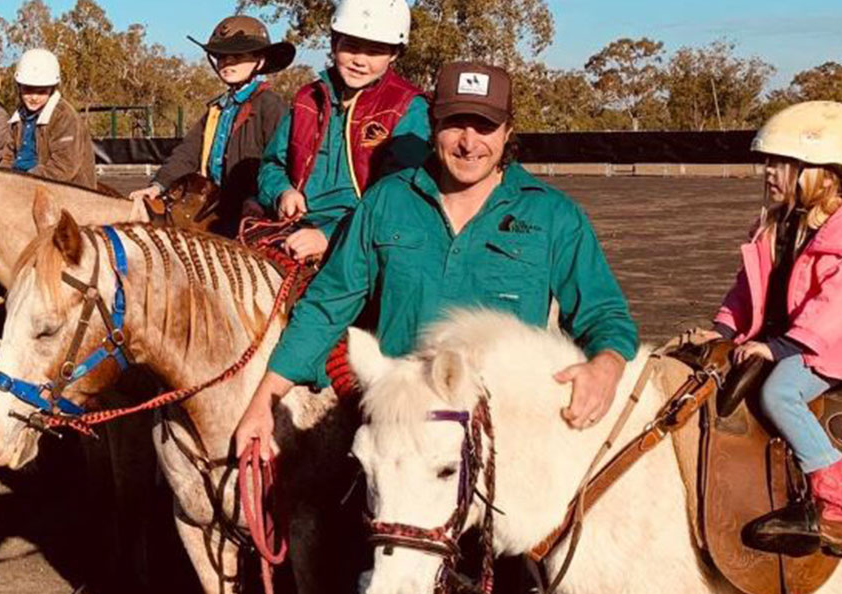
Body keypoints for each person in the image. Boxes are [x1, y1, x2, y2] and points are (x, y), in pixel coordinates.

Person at [235, 62, 639, 459]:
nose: (468, 142)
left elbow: (604, 314)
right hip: (400, 444)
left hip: (506, 447)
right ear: (431, 126)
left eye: (485, 126)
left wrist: (606, 367)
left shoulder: (553, 215)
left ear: (508, 131)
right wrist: (264, 401)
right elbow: (327, 305)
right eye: (454, 124)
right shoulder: (385, 201)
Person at [687, 101, 842, 558]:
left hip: (835, 349)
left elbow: (837, 308)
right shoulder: (772, 226)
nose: (769, 172)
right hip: (785, 338)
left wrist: (779, 348)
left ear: (830, 175)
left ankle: (837, 507)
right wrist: (722, 330)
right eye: (768, 162)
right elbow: (747, 290)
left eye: (783, 163)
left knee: (779, 393)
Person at [256, 0, 430, 262]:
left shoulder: (408, 107)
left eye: (375, 51)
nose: (360, 60)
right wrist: (282, 192)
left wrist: (330, 235)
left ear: (394, 54)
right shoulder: (308, 99)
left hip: (368, 242)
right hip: (295, 230)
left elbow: (401, 196)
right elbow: (272, 164)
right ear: (334, 43)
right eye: (350, 46)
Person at [128, 15, 294, 231]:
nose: (227, 62)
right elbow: (187, 154)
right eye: (222, 56)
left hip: (256, 217)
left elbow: (283, 162)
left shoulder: (271, 106)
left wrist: (260, 198)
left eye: (238, 55)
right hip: (217, 211)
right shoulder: (217, 109)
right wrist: (158, 185)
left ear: (259, 61)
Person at [6, 49, 97, 189]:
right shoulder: (19, 115)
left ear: (52, 88)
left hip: (64, 191)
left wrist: (23, 181)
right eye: (28, 90)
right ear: (19, 87)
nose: (34, 97)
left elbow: (64, 166)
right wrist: (1, 177)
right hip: (21, 183)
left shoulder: (64, 116)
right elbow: (7, 154)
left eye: (42, 91)